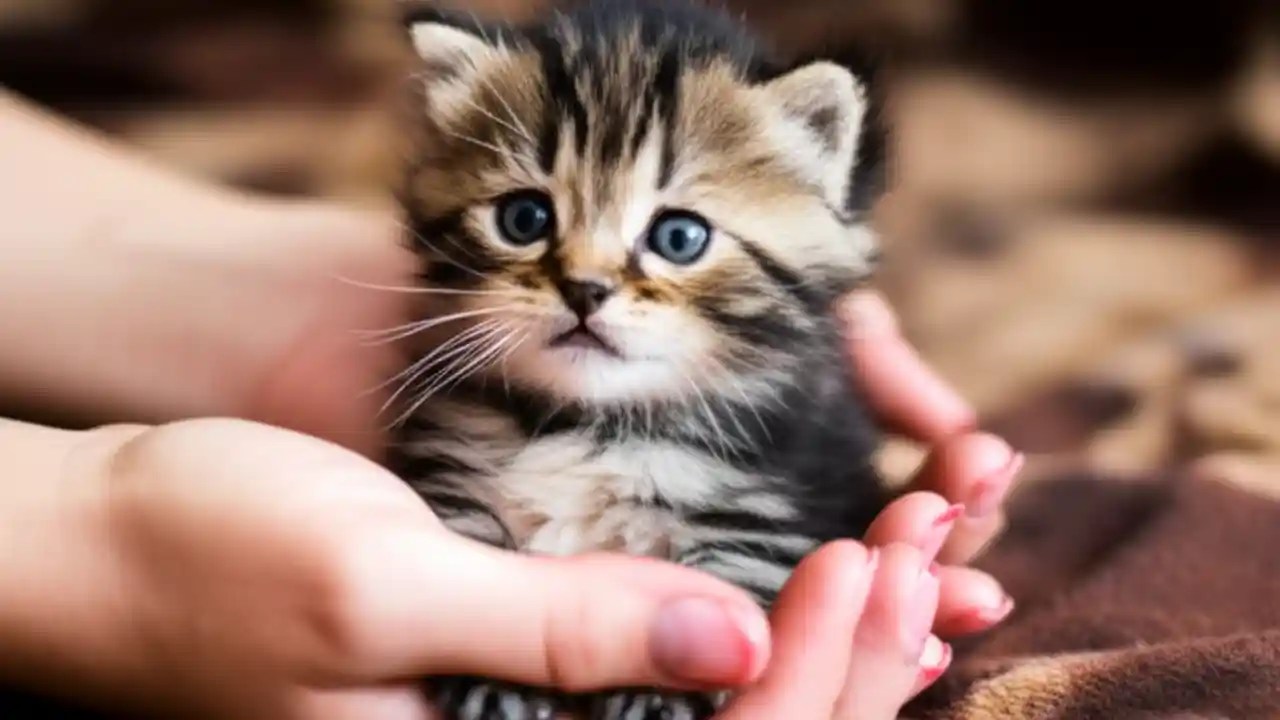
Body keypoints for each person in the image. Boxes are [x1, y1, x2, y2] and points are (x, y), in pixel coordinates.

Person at [0, 89, 1022, 720]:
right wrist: (92, 526)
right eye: (528, 217)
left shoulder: (766, 428)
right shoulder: (456, 411)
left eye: (673, 237)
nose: (583, 275)